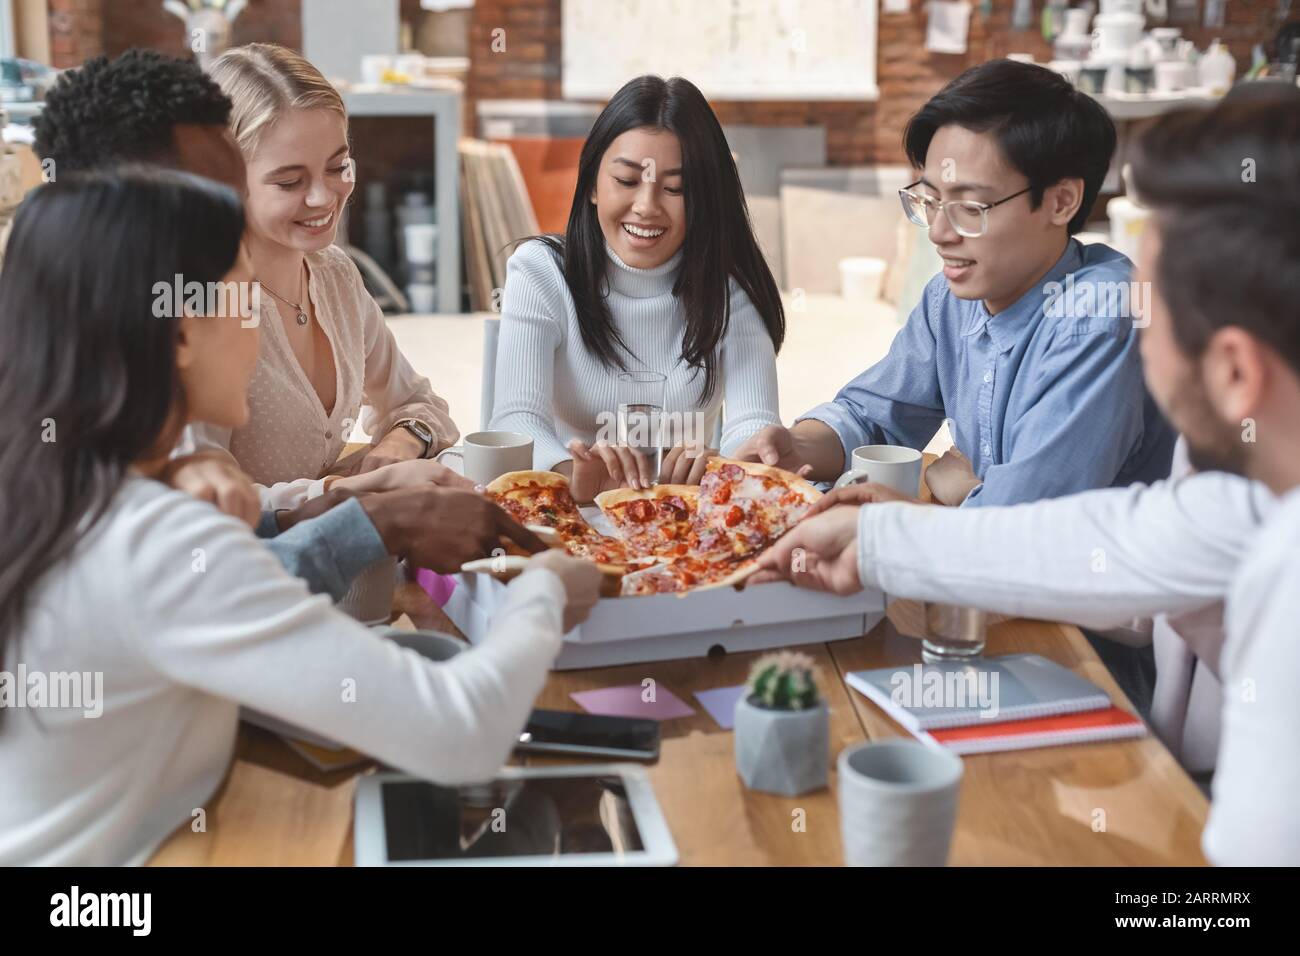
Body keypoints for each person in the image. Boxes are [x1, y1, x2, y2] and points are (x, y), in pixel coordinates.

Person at [755, 95, 1300, 865]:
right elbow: (1109, 537)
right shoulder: (1247, 499)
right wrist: (883, 530)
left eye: (1157, 294)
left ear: (1236, 369)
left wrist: (938, 500)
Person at [0, 168, 601, 866]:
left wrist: (358, 496)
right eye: (243, 297)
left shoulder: (57, 481)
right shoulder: (157, 539)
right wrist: (547, 591)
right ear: (183, 332)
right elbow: (459, 732)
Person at [32, 49, 508, 594]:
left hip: (342, 577)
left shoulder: (334, 276)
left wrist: (396, 449)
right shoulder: (201, 309)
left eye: (338, 166)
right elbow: (202, 513)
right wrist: (358, 492)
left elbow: (420, 405)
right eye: (289, 181)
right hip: (243, 585)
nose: (324, 196)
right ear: (228, 180)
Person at [735, 59, 1175, 507]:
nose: (940, 233)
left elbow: (1024, 525)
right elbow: (873, 416)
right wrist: (795, 446)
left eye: (970, 208)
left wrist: (965, 492)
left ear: (1061, 202)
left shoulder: (1101, 315)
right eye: (930, 200)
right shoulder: (952, 298)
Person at [490, 75, 784, 500]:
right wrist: (571, 471)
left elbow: (754, 424)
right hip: (569, 508)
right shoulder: (541, 272)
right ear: (592, 184)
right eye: (627, 182)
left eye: (675, 189)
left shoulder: (729, 288)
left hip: (682, 520)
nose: (646, 207)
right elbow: (515, 418)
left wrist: (725, 464)